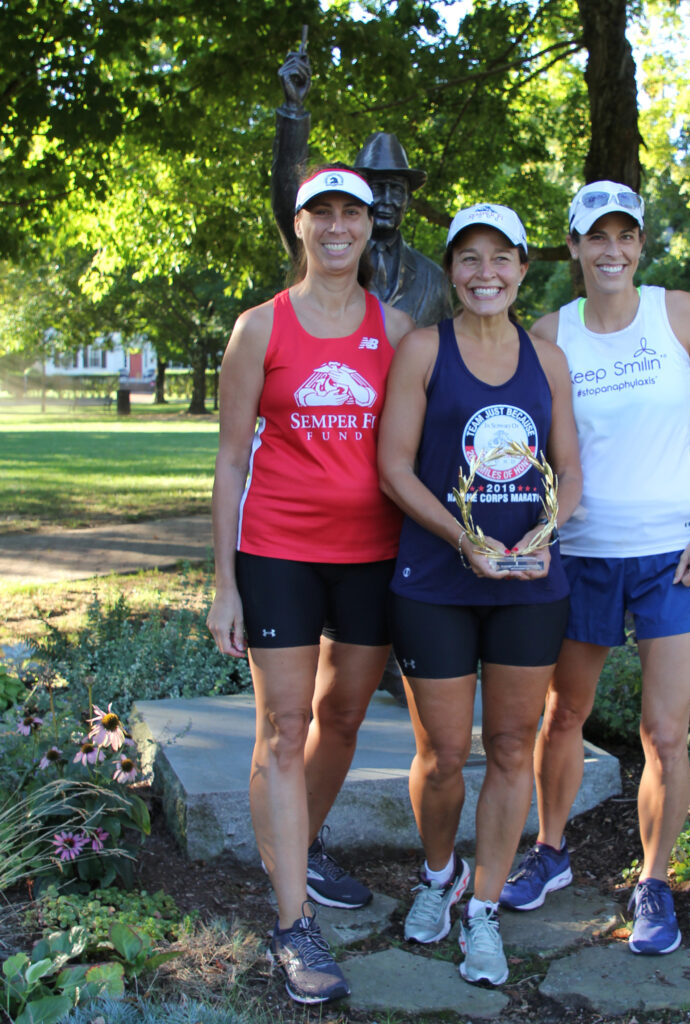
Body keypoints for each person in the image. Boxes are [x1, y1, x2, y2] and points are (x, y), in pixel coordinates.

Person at [500, 182, 690, 957]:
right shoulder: (547, 332)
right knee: (563, 715)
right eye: (596, 237)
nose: (612, 250)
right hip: (582, 553)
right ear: (571, 248)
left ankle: (654, 883)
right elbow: (525, 452)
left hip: (675, 553)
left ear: (640, 245)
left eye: (625, 236)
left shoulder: (681, 313)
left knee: (664, 731)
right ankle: (552, 852)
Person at [207, 165, 414, 1004]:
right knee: (285, 727)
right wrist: (224, 582)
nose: (337, 228)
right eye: (320, 214)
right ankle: (292, 923)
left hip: (372, 554)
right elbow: (228, 461)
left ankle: (305, 840)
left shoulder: (397, 329)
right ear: (298, 226)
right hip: (279, 550)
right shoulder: (259, 329)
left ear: (370, 228)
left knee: (344, 716)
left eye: (351, 215)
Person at [378, 203, 582, 986]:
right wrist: (463, 540)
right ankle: (439, 879)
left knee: (507, 748)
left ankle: (485, 909)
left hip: (531, 586)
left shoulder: (547, 361)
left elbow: (569, 470)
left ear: (524, 269)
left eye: (502, 257)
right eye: (469, 258)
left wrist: (543, 538)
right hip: (435, 581)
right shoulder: (425, 350)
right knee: (440, 753)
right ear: (453, 270)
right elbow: (394, 469)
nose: (485, 272)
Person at [271, 48, 451, 327]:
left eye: (396, 190)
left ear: (409, 200)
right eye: (378, 188)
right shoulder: (330, 251)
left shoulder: (433, 277)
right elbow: (287, 196)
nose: (387, 200)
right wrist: (293, 110)